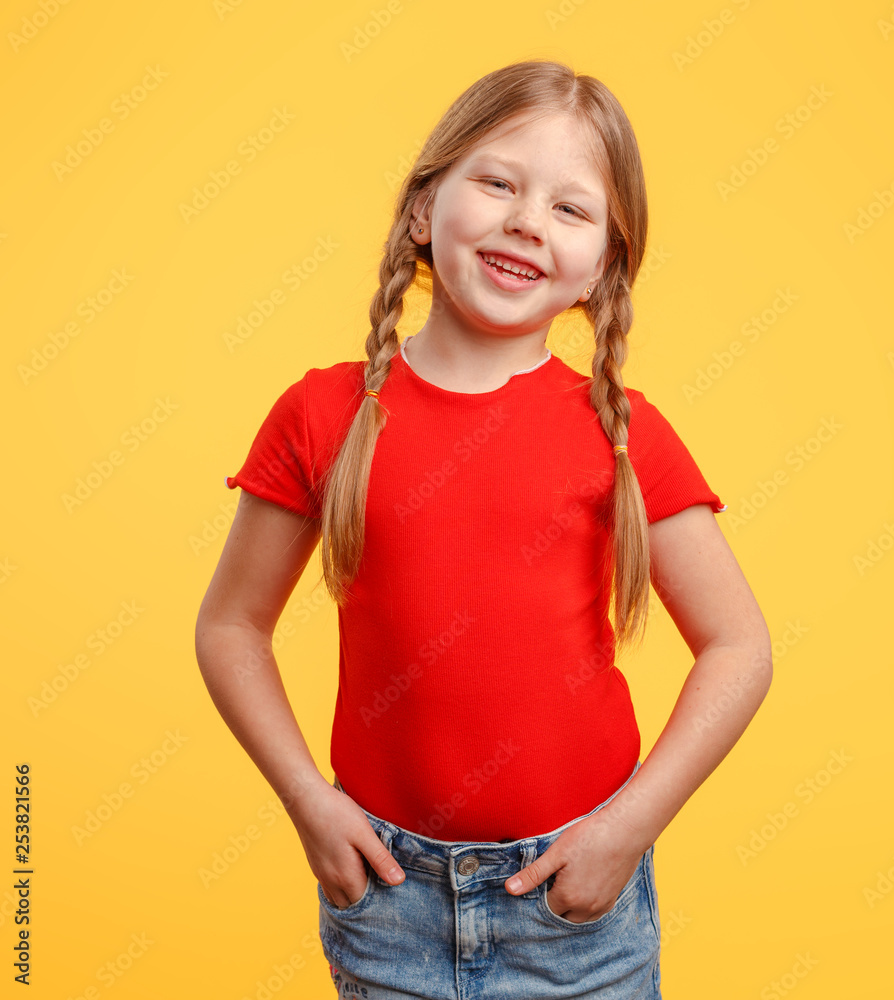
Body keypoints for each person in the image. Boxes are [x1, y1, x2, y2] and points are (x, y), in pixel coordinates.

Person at [195, 59, 772, 1000]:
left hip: (576, 913)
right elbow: (229, 627)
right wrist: (307, 800)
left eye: (571, 209)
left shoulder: (622, 434)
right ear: (424, 209)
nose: (527, 222)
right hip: (388, 904)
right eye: (499, 182)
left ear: (602, 269)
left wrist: (626, 831)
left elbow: (740, 645)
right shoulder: (322, 415)